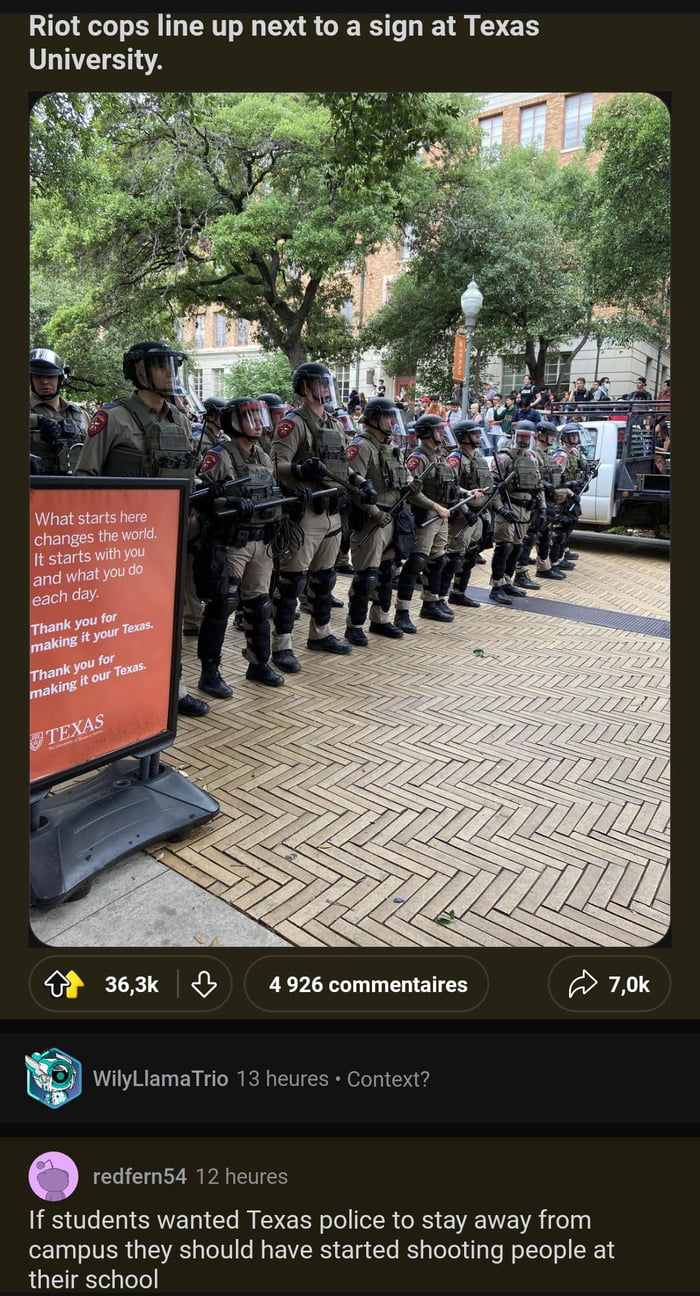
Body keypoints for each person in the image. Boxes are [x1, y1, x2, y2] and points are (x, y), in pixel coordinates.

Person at [74, 339, 209, 717]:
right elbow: (85, 479)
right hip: (122, 546)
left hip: (169, 542)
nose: (170, 372)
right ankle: (116, 691)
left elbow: (187, 477)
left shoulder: (179, 420)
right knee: (119, 622)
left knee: (166, 619)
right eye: (161, 365)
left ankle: (173, 688)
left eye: (171, 365)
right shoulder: (112, 418)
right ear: (139, 372)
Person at [269, 362, 375, 672]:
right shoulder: (293, 423)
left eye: (326, 383)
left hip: (332, 510)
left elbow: (343, 465)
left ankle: (320, 632)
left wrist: (360, 483)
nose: (326, 388)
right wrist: (301, 470)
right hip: (305, 515)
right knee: (292, 582)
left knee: (324, 578)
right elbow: (276, 465)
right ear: (304, 388)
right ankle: (282, 644)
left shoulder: (335, 424)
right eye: (319, 383)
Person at [193, 397, 285, 692]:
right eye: (251, 418)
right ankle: (209, 673)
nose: (258, 424)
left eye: (260, 418)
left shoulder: (263, 455)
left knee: (259, 606)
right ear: (234, 422)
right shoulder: (219, 455)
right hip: (232, 541)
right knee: (223, 605)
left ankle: (259, 664)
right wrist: (226, 500)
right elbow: (201, 498)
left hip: (262, 540)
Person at [342, 397, 416, 644]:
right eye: (388, 417)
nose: (392, 423)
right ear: (374, 419)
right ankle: (354, 625)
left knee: (387, 572)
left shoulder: (390, 446)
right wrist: (374, 512)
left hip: (393, 516)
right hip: (372, 519)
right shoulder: (361, 446)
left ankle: (381, 618)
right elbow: (352, 485)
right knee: (366, 575)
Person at [392, 416, 453, 630]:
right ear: (427, 432)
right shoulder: (418, 458)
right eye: (438, 430)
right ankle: (402, 611)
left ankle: (431, 602)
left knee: (438, 560)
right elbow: (410, 492)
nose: (442, 434)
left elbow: (449, 484)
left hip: (440, 514)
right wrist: (434, 506)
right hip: (423, 516)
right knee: (416, 562)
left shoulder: (440, 456)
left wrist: (466, 493)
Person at [488, 420, 544, 606]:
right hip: (508, 508)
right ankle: (496, 587)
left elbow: (539, 485)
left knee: (518, 548)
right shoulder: (504, 458)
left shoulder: (532, 459)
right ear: (515, 436)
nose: (524, 440)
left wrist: (542, 508)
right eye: (521, 436)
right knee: (505, 547)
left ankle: (507, 581)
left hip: (525, 510)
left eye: (528, 437)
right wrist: (500, 508)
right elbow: (493, 487)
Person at [438, 421, 489, 608]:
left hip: (478, 515)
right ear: (463, 437)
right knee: (454, 557)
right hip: (462, 517)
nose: (478, 436)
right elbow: (451, 489)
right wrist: (466, 512)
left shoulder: (479, 458)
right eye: (474, 434)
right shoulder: (456, 459)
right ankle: (440, 597)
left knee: (470, 556)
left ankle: (459, 592)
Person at [514, 420, 567, 585]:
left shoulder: (548, 455)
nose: (553, 438)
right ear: (541, 435)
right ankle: (520, 573)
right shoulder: (533, 454)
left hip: (549, 501)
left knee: (546, 535)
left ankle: (544, 566)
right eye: (550, 435)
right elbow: (531, 478)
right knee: (529, 537)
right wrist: (545, 486)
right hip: (536, 501)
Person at [30, 347, 89, 474]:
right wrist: (37, 421)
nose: (44, 381)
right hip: (36, 488)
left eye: (50, 377)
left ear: (60, 379)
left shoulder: (80, 414)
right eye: (38, 376)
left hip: (75, 487)